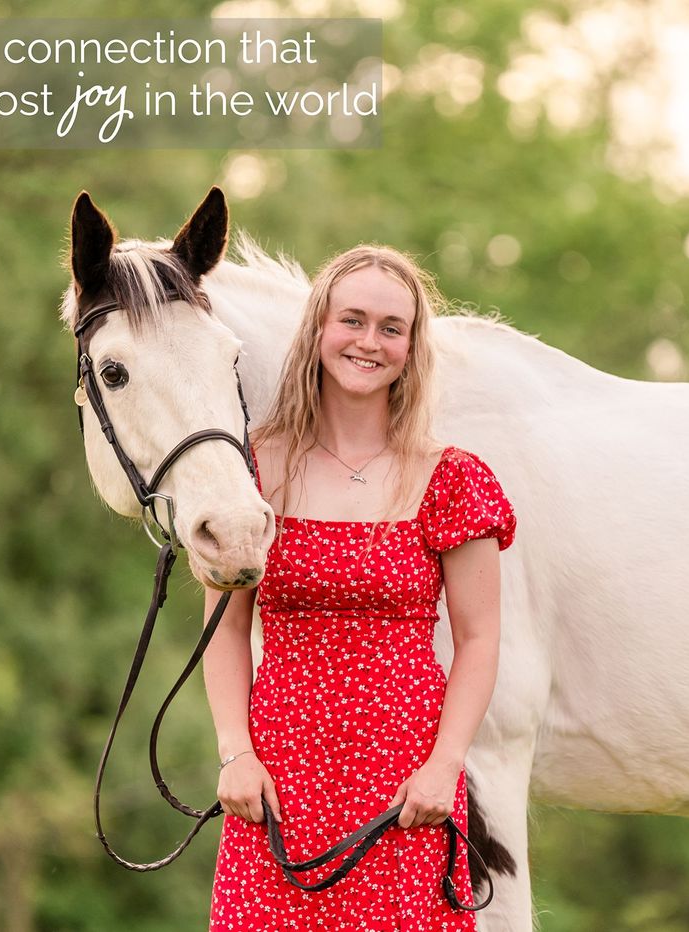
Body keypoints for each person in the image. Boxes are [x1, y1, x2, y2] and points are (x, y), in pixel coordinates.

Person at [204, 245, 516, 930]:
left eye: (390, 327)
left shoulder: (453, 480)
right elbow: (224, 629)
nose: (368, 341)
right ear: (319, 328)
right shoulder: (254, 469)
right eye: (352, 319)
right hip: (279, 779)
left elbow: (479, 638)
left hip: (406, 782)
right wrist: (237, 754)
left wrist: (446, 765)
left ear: (411, 347)